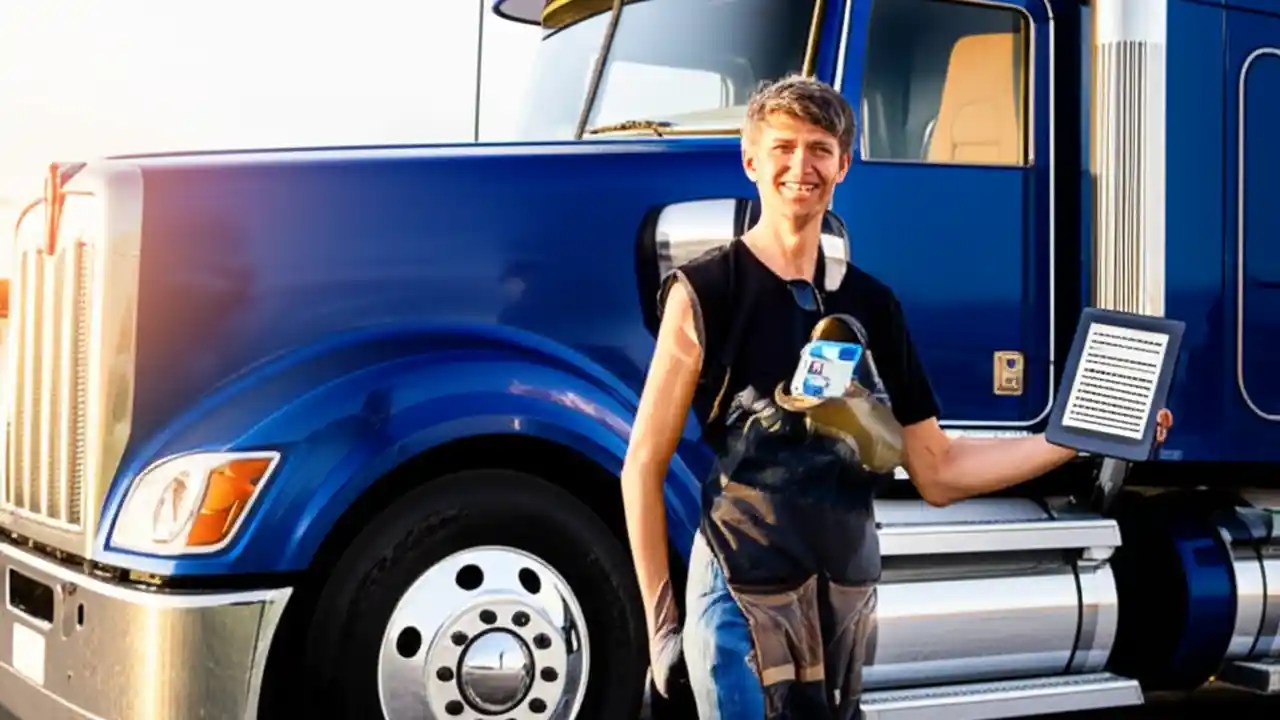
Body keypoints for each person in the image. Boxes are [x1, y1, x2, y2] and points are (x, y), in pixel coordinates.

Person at [620, 74, 1172, 719]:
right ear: (751, 161)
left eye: (820, 149)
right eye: (783, 148)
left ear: (844, 165)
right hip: (743, 592)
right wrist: (662, 628)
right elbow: (643, 467)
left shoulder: (872, 304)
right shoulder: (706, 291)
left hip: (844, 599)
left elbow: (939, 470)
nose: (801, 166)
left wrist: (1072, 439)